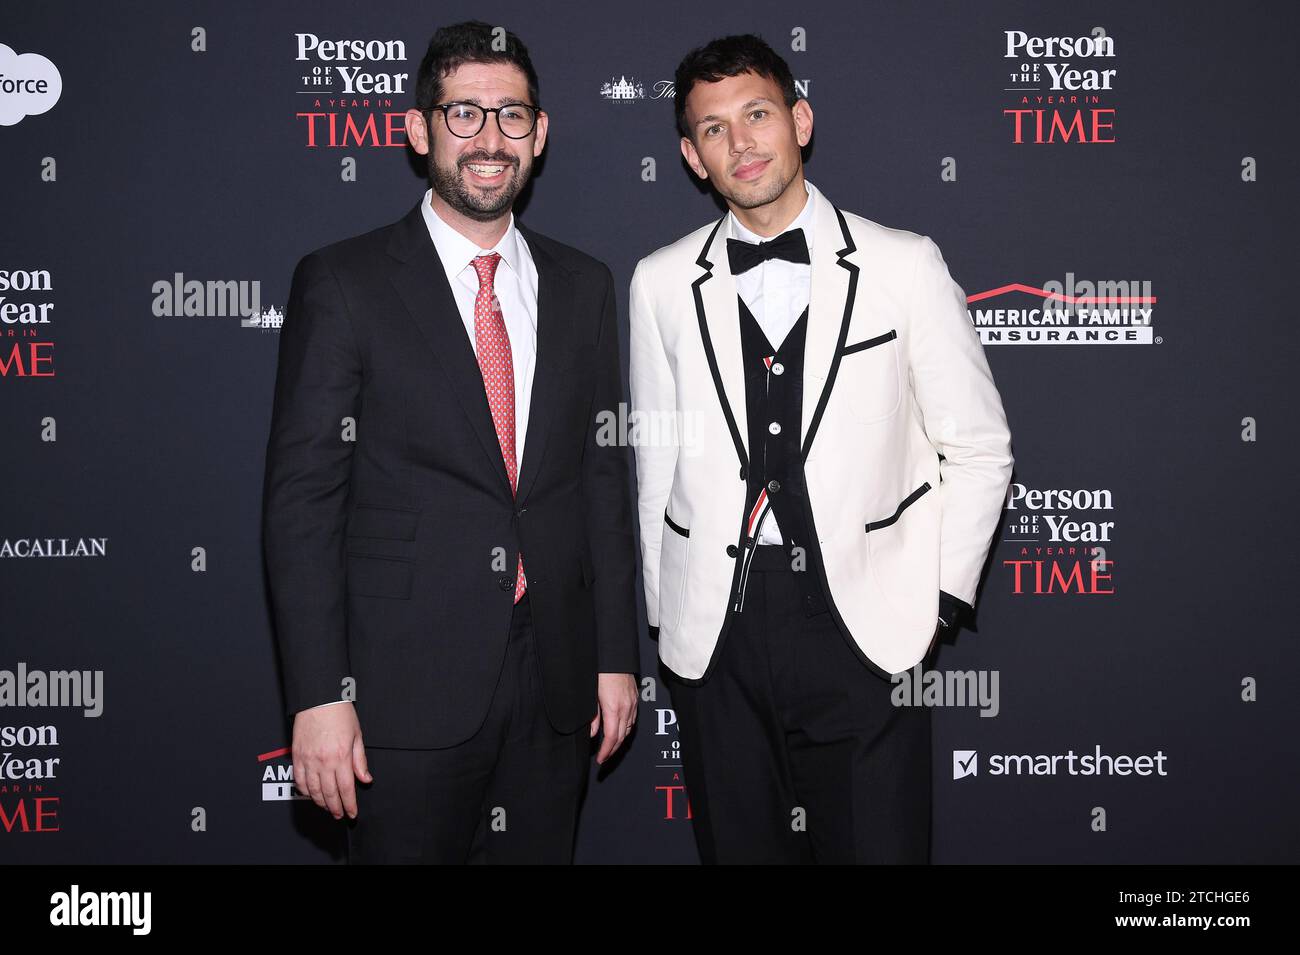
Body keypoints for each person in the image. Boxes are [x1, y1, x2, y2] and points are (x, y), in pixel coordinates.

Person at [628, 34, 1014, 863]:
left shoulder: (904, 264)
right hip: (716, 632)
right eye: (715, 129)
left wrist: (938, 601)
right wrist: (669, 615)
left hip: (868, 622)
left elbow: (979, 447)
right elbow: (653, 457)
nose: (743, 143)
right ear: (693, 157)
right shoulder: (658, 281)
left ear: (800, 119)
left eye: (758, 114)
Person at [262, 20, 639, 864]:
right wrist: (318, 695)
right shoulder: (343, 281)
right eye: (463, 113)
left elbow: (602, 482)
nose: (489, 138)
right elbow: (303, 504)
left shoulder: (584, 286)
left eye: (511, 115)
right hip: (398, 691)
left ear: (540, 135)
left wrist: (615, 655)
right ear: (417, 129)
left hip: (554, 684)